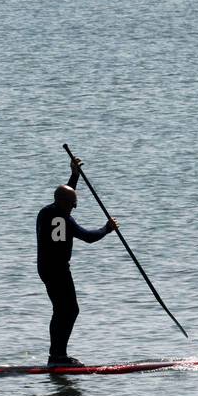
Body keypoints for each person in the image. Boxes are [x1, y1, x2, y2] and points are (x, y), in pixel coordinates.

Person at [36, 157, 117, 367]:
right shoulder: (65, 218)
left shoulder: (46, 212)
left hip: (46, 268)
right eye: (73, 205)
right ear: (66, 204)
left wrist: (74, 175)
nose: (74, 207)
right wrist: (106, 229)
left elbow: (65, 195)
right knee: (68, 310)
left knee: (63, 310)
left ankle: (57, 356)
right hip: (58, 270)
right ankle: (57, 357)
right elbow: (88, 237)